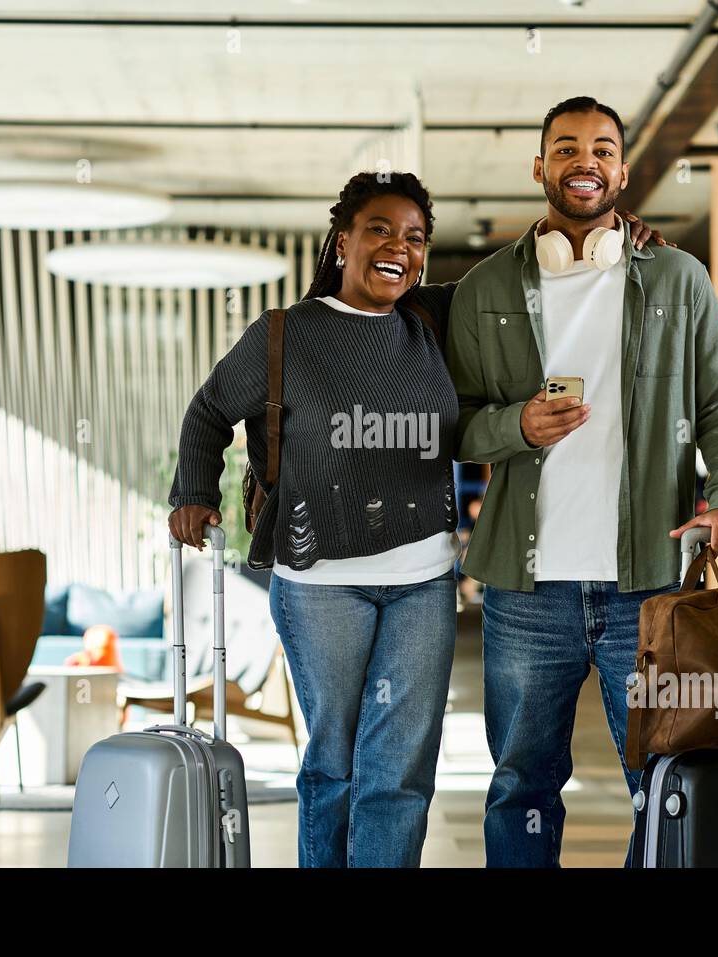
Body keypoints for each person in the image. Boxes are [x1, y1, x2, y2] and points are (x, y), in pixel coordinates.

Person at [170, 168, 666, 867]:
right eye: (380, 230)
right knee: (335, 764)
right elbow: (209, 412)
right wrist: (194, 490)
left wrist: (617, 234)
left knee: (400, 772)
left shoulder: (437, 317)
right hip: (319, 585)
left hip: (423, 580)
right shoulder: (285, 335)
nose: (398, 248)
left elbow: (538, 280)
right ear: (342, 240)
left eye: (415, 237)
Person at [446, 96, 718, 868]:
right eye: (566, 147)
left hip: (646, 587)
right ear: (540, 165)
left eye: (602, 148)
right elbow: (453, 422)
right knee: (520, 786)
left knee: (664, 780)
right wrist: (515, 426)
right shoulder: (483, 290)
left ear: (622, 168)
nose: (585, 160)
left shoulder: (680, 280)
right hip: (525, 592)